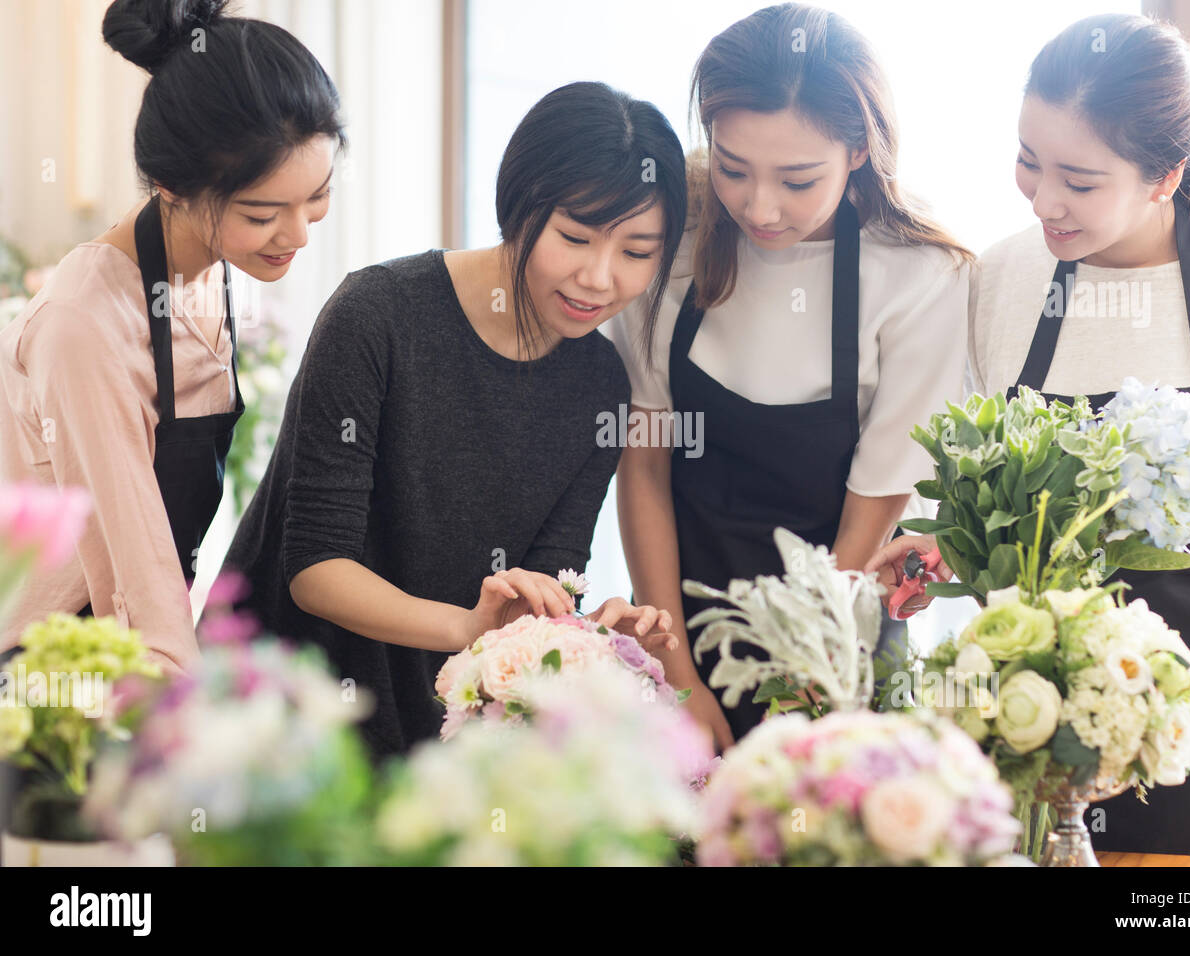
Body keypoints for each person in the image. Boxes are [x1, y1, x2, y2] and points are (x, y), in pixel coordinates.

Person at [871, 13, 1190, 859]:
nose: (1044, 200)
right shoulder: (1001, 278)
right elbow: (989, 492)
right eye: (1029, 160)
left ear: (1166, 175)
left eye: (1079, 178)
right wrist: (943, 546)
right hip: (1029, 739)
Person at [217, 82, 689, 760]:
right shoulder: (378, 315)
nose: (599, 277)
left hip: (440, 724)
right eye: (575, 237)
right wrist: (465, 625)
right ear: (518, 206)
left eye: (638, 252)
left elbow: (538, 593)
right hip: (287, 709)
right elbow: (316, 567)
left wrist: (594, 640)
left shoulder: (601, 385)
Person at [607, 3, 971, 748]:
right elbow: (643, 468)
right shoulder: (669, 237)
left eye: (798, 179)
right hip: (681, 627)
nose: (760, 208)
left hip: (840, 640)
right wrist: (677, 677)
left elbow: (873, 507)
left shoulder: (917, 275)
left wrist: (806, 692)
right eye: (733, 169)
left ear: (861, 151)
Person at [0, 0, 342, 675]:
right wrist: (185, 718)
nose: (299, 234)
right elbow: (136, 579)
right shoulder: (85, 325)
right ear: (171, 187)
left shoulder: (213, 267)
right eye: (263, 213)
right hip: (48, 673)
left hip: (134, 643)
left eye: (318, 196)